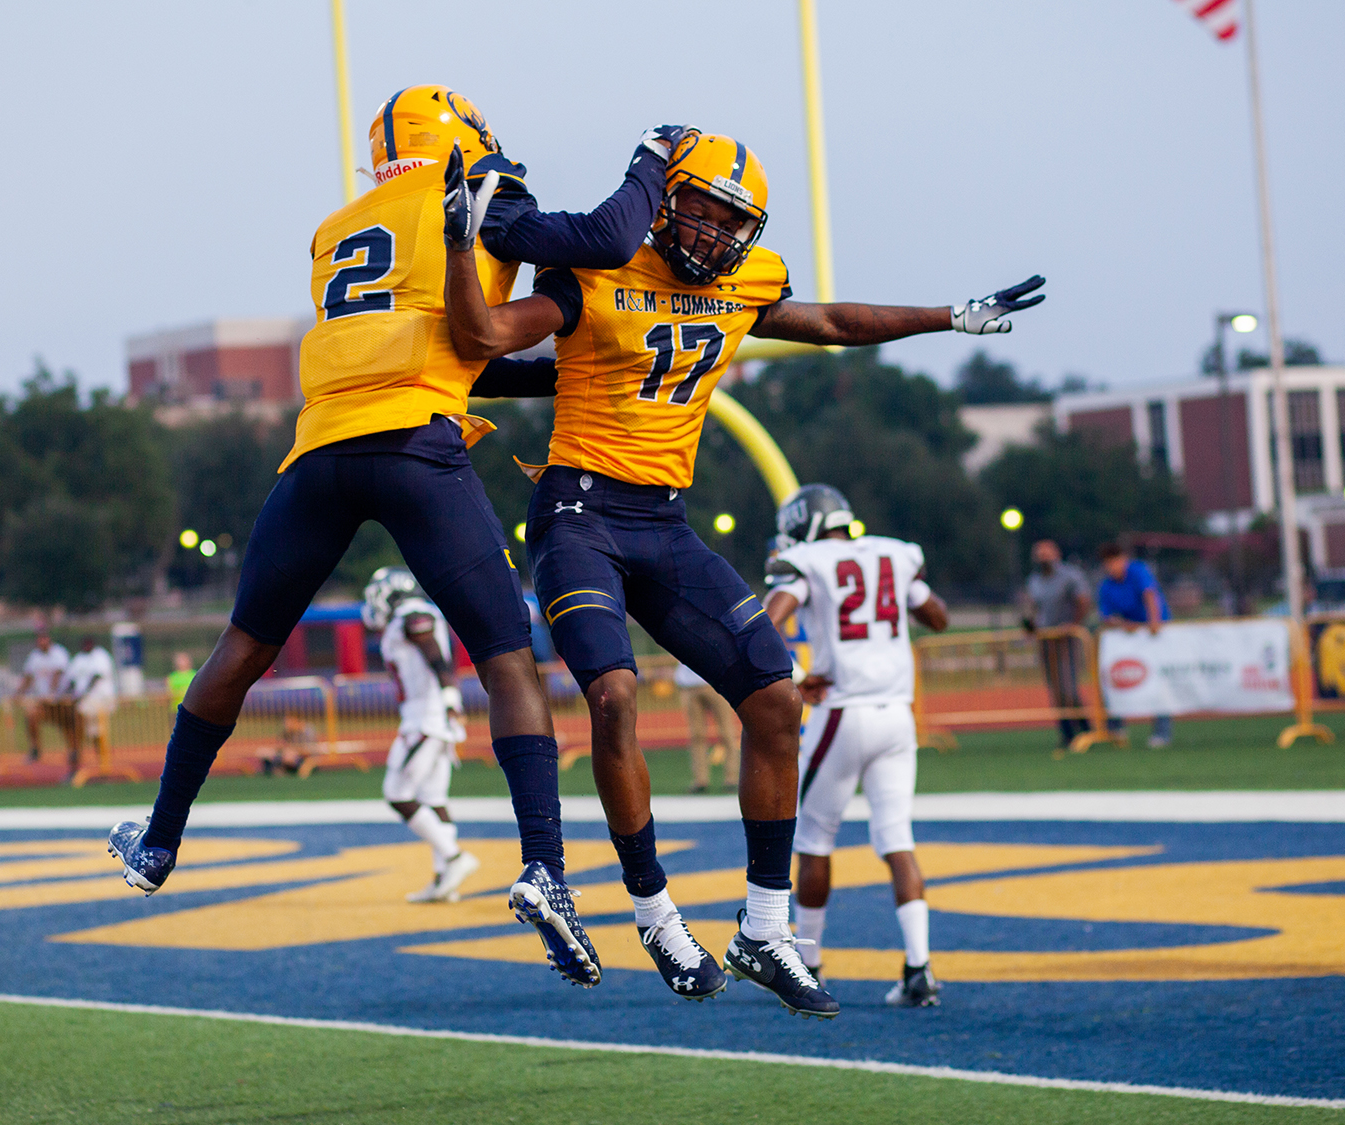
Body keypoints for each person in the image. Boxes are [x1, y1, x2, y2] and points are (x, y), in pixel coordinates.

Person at [444, 130, 1044, 1016]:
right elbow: (488, 339)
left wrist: (949, 316)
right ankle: (654, 911)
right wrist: (451, 273)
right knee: (613, 694)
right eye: (706, 208)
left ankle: (766, 928)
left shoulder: (746, 283)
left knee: (773, 695)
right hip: (579, 515)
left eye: (737, 221)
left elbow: (837, 324)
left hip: (665, 519)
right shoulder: (597, 270)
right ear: (669, 195)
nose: (719, 233)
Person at [108, 88, 692, 991]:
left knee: (240, 647)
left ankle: (157, 840)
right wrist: (651, 162)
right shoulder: (478, 189)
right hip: (415, 441)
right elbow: (606, 239)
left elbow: (431, 339)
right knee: (506, 660)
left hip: (318, 452)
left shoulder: (336, 227)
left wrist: (552, 374)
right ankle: (545, 866)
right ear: (459, 137)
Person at [761, 485, 952, 1008]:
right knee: (897, 839)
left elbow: (765, 622)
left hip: (843, 712)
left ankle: (808, 963)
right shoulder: (895, 552)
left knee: (815, 839)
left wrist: (799, 673)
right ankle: (919, 968)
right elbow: (938, 616)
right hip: (897, 716)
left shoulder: (806, 559)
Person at [364, 567, 483, 904]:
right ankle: (445, 880)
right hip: (432, 718)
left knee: (397, 792)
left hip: (424, 720)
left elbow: (435, 656)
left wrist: (448, 697)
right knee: (434, 800)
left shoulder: (411, 613)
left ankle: (455, 858)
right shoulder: (411, 616)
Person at [1096, 542, 1173, 748]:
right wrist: (1123, 624)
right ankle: (1116, 730)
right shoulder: (1107, 585)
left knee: (1159, 681)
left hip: (1153, 635)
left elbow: (1150, 595)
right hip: (1128, 638)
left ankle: (1162, 732)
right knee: (1113, 677)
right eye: (1107, 563)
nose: (1111, 567)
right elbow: (1106, 616)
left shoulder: (1138, 571)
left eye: (1114, 561)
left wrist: (1154, 623)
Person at [1021, 540, 1094, 749]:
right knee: (1055, 690)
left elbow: (1083, 600)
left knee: (1068, 687)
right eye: (1039, 555)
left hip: (1067, 639)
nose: (1043, 558)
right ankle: (1067, 733)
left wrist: (1072, 625)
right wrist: (1029, 626)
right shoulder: (1035, 580)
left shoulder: (1070, 576)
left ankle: (1085, 728)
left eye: (1047, 554)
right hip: (1046, 639)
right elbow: (1032, 608)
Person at [676, 663, 738, 794]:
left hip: (715, 683)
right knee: (696, 735)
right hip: (689, 686)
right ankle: (700, 781)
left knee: (726, 732)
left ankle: (732, 778)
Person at [14, 629, 72, 763]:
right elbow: (28, 677)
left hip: (60, 700)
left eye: (44, 639)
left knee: (68, 725)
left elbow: (58, 675)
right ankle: (35, 749)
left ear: (49, 639)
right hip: (44, 701)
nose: (41, 642)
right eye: (39, 640)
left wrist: (52, 693)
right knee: (31, 716)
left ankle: (72, 751)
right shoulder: (34, 657)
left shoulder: (59, 653)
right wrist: (17, 694)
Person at [64, 635, 116, 774]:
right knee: (91, 733)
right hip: (85, 701)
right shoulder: (78, 659)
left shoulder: (100, 656)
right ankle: (92, 762)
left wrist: (80, 694)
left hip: (99, 699)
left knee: (97, 733)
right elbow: (71, 680)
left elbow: (96, 677)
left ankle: (102, 765)